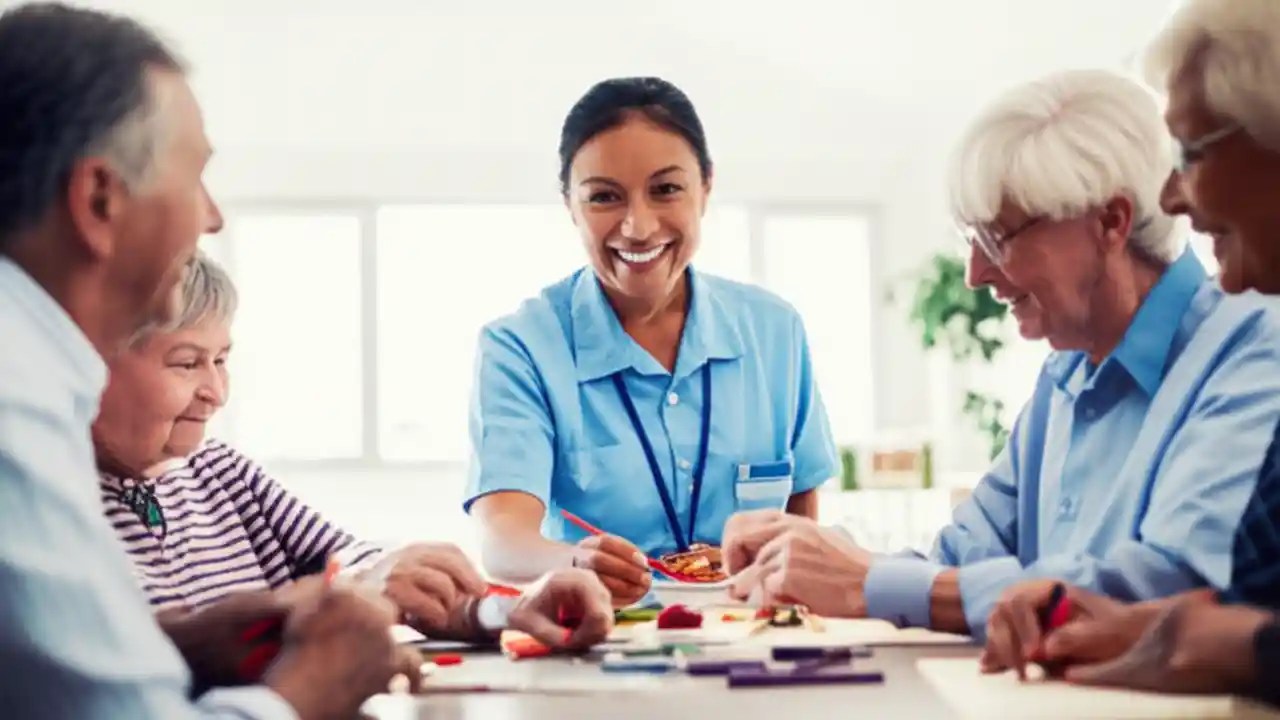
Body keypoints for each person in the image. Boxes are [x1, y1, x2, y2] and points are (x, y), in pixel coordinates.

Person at [722, 68, 1280, 642]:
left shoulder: (1253, 349)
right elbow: (959, 558)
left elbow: (1170, 592)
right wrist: (823, 561)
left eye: (997, 238)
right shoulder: (1065, 376)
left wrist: (865, 580)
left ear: (1109, 222)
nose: (975, 274)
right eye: (972, 241)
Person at [0, 4, 418, 717]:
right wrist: (311, 689)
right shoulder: (16, 416)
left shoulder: (40, 387)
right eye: (193, 176)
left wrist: (179, 645)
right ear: (99, 200)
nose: (211, 217)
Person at [94, 252, 613, 691]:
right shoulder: (59, 501)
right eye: (187, 363)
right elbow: (141, 655)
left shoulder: (221, 472)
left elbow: (354, 561)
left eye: (222, 360)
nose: (216, 392)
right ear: (92, 361)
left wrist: (502, 609)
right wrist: (361, 592)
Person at [979, 1, 1280, 704]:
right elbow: (1257, 597)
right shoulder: (1060, 378)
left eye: (1192, 153)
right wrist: (1152, 627)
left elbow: (1207, 592)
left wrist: (1228, 642)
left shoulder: (1250, 342)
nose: (1170, 197)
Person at [466, 76, 838, 605]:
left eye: (666, 190)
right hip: (600, 630)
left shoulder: (774, 331)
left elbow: (801, 524)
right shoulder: (519, 348)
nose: (638, 227)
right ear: (570, 204)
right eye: (604, 197)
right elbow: (504, 540)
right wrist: (575, 563)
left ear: (705, 188)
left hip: (750, 629)